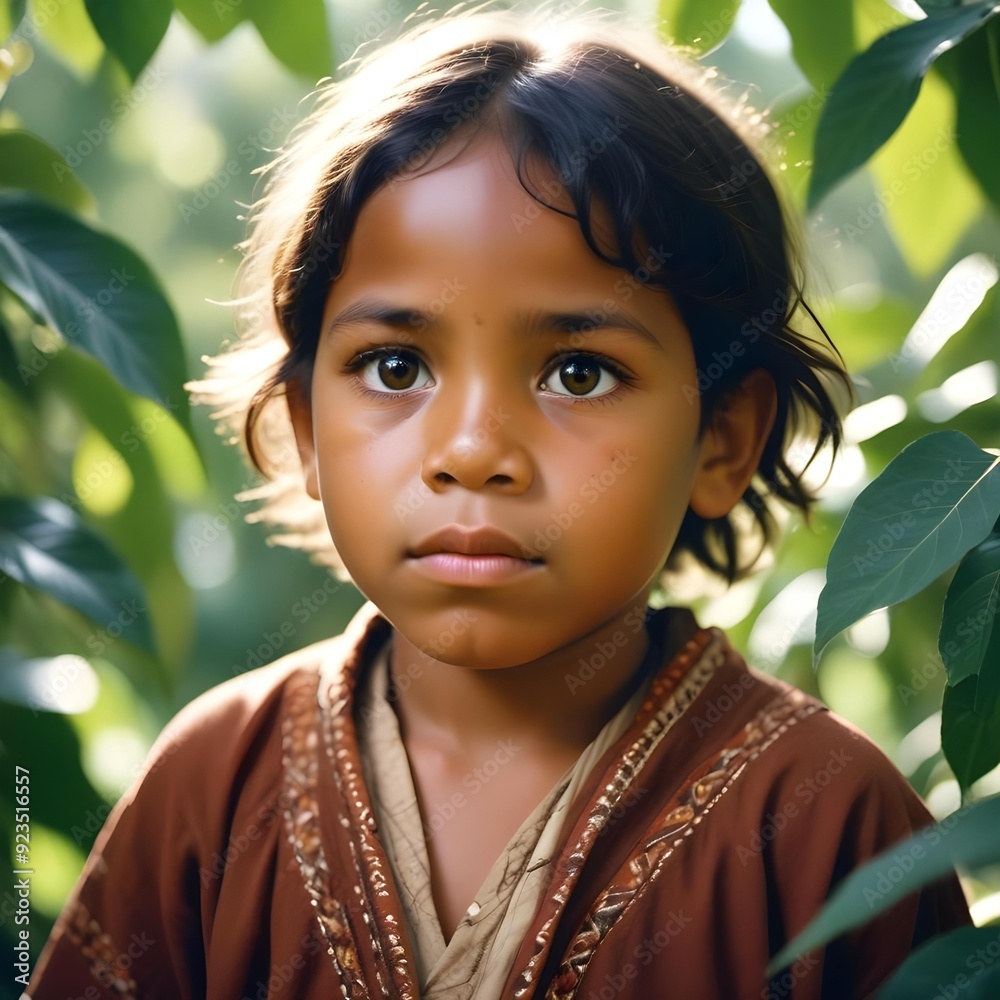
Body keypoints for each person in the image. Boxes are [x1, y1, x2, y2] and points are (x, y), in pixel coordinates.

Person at [24, 3, 971, 998]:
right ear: (305, 428)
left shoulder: (831, 824)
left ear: (722, 437)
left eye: (577, 373)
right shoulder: (212, 785)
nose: (473, 452)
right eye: (395, 366)